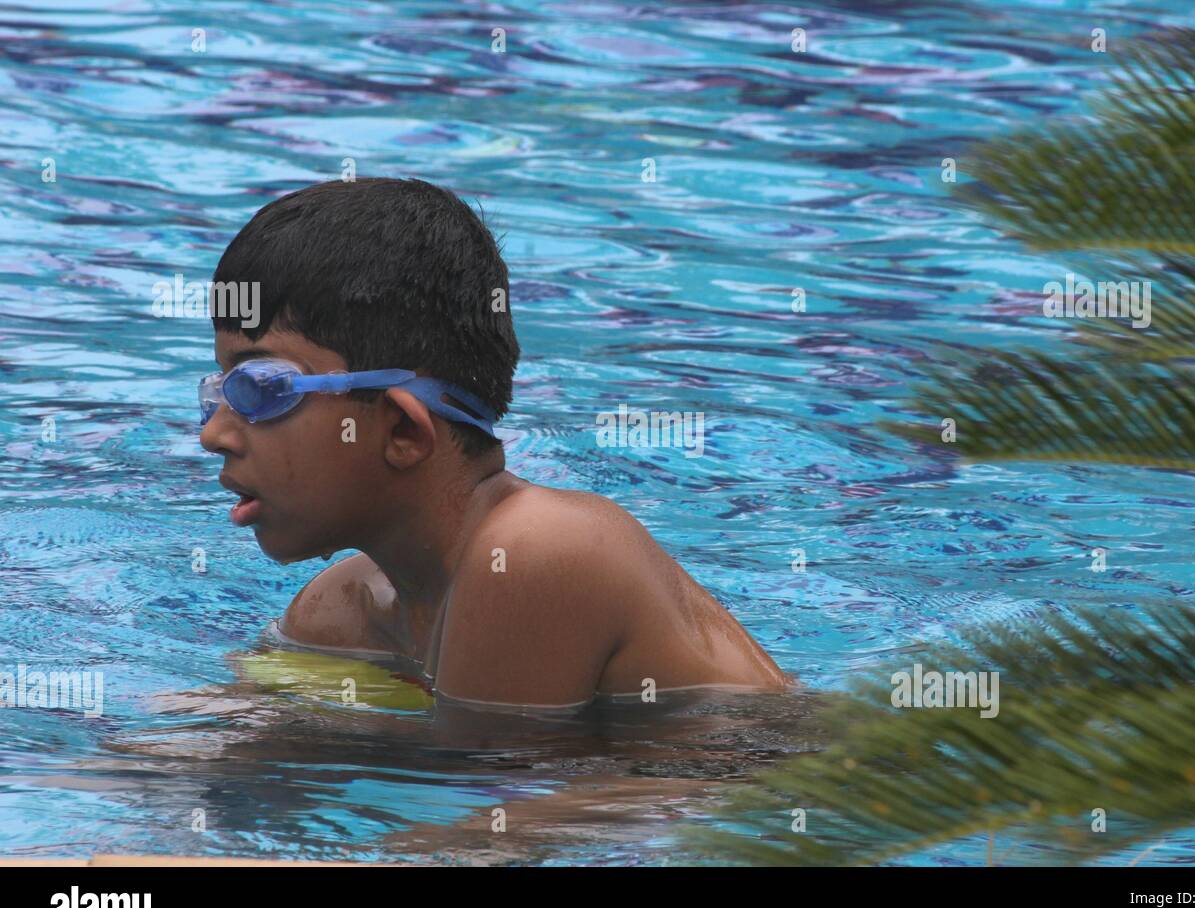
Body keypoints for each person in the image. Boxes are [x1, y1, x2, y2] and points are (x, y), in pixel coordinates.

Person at [199, 178, 794, 713]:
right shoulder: (341, 612)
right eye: (217, 391)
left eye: (261, 388)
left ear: (404, 431)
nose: (213, 434)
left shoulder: (538, 550)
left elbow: (487, 808)